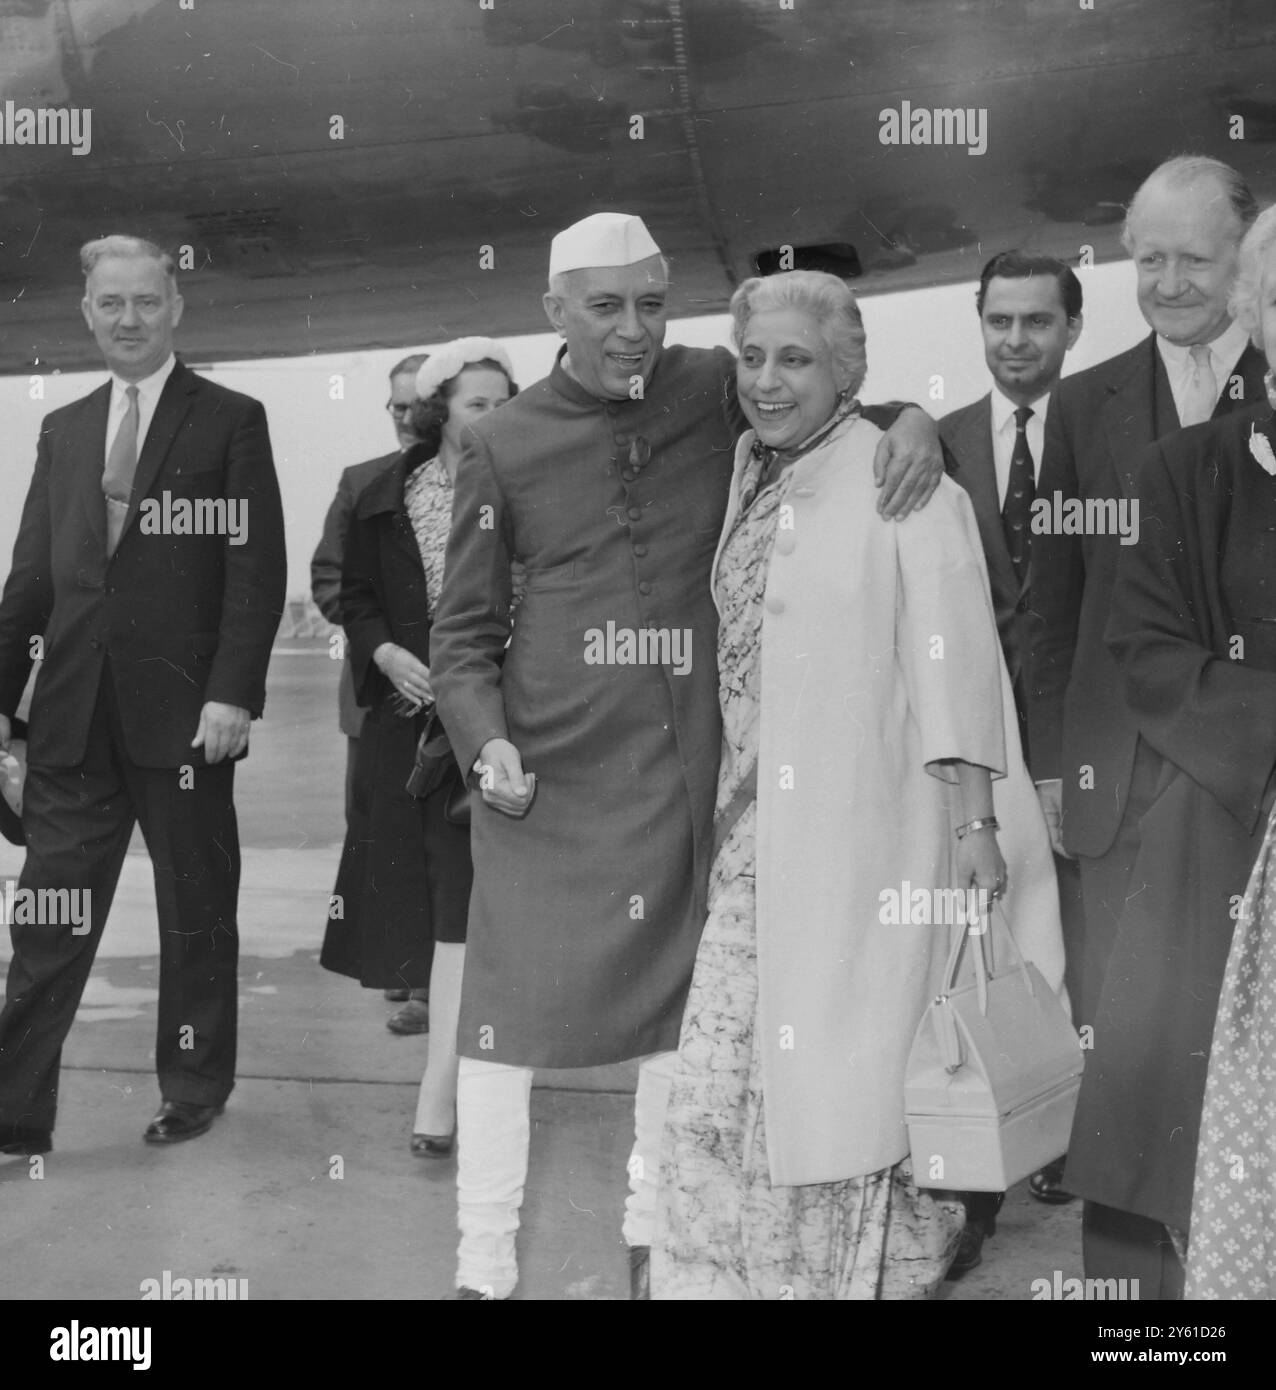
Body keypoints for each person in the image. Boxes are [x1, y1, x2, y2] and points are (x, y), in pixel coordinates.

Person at [429, 211, 945, 1301]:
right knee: (498, 1024)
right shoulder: (498, 440)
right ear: (554, 312)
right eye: (606, 306)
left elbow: (814, 392)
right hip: (544, 777)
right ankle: (481, 1263)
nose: (632, 330)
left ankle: (655, 1237)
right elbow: (463, 637)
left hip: (681, 769)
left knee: (678, 1014)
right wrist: (486, 749)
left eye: (652, 304)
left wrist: (918, 421)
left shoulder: (711, 381)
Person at [651, 269, 1066, 1300]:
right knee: (720, 1087)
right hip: (750, 849)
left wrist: (976, 832)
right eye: (752, 358)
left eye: (796, 359)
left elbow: (956, 667)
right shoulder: (749, 467)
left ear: (847, 372)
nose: (766, 379)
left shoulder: (906, 485)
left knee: (846, 1094)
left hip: (862, 847)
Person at [1030, 156, 1268, 1281]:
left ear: (1245, 265)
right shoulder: (1082, 403)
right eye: (1147, 258)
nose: (1168, 282)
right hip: (1118, 795)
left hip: (1237, 793)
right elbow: (1050, 605)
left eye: (1195, 258)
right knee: (1128, 1087)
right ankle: (1137, 1332)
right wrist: (1041, 772)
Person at [0, 234, 286, 1153]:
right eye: (110, 304)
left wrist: (234, 691)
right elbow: (31, 581)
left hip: (188, 720)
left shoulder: (229, 419)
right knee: (47, 918)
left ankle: (194, 1086)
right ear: (86, 313)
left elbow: (254, 567)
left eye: (146, 302)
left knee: (195, 912)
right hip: (73, 721)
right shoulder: (66, 428)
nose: (129, 319)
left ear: (176, 308)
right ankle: (14, 1114)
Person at [321, 338, 517, 1157]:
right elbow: (351, 591)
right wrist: (383, 651)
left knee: (486, 912)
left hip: (510, 730)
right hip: (415, 739)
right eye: (479, 403)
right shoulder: (379, 492)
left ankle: (465, 1085)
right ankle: (443, 1086)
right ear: (441, 411)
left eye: (508, 401)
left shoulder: (531, 490)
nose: (497, 417)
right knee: (446, 912)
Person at [939, 250, 1086, 1271]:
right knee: (977, 961)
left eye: (1037, 322)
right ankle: (970, 1194)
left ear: (1070, 329)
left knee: (1071, 957)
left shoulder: (1104, 433)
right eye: (999, 321)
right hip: (977, 751)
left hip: (1081, 748)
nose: (1015, 341)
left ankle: (1062, 1137)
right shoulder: (939, 440)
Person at [311, 352, 430, 1029]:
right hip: (374, 702)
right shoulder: (361, 483)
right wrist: (386, 650)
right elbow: (331, 580)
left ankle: (424, 986)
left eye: (419, 405)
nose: (407, 419)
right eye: (397, 407)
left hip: (453, 696)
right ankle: (399, 968)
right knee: (378, 834)